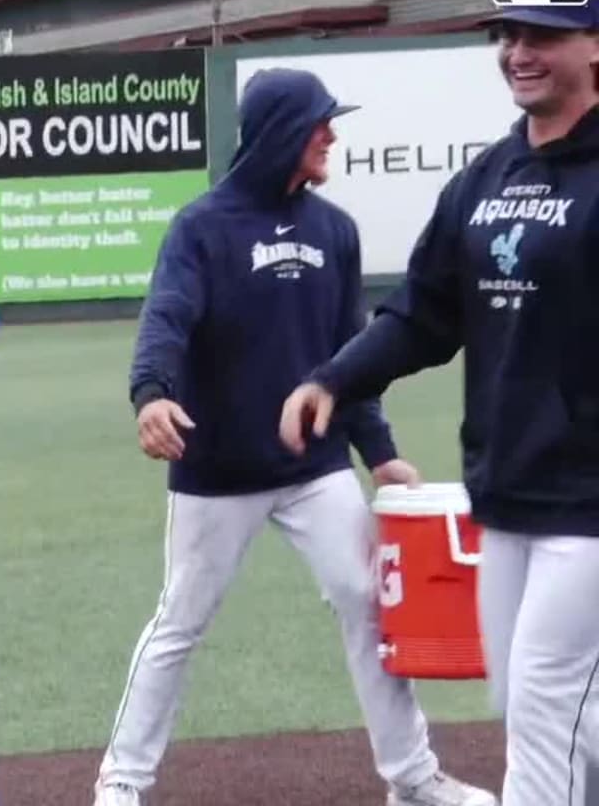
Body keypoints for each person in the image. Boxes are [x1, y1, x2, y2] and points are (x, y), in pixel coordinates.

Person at [93, 67, 496, 806]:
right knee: (180, 622)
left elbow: (347, 355)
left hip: (316, 467)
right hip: (217, 469)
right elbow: (168, 319)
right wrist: (151, 396)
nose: (333, 135)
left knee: (370, 605)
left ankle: (412, 780)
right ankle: (122, 780)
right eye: (320, 124)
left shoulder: (334, 230)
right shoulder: (201, 227)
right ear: (283, 133)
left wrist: (380, 455)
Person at [280, 0, 599, 806]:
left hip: (591, 500)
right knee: (542, 702)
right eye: (509, 34)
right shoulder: (486, 178)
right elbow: (424, 311)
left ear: (596, 45)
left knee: (542, 699)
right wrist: (335, 377)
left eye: (544, 34)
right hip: (507, 488)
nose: (520, 52)